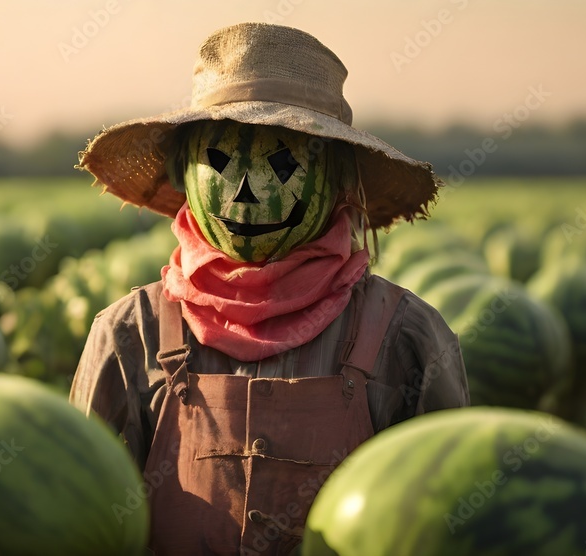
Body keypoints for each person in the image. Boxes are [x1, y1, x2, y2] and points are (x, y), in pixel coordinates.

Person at [70, 22, 469, 555]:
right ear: (182, 170)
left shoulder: (407, 336)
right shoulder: (129, 333)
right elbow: (78, 512)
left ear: (338, 175)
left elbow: (451, 522)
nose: (245, 191)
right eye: (219, 160)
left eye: (283, 164)